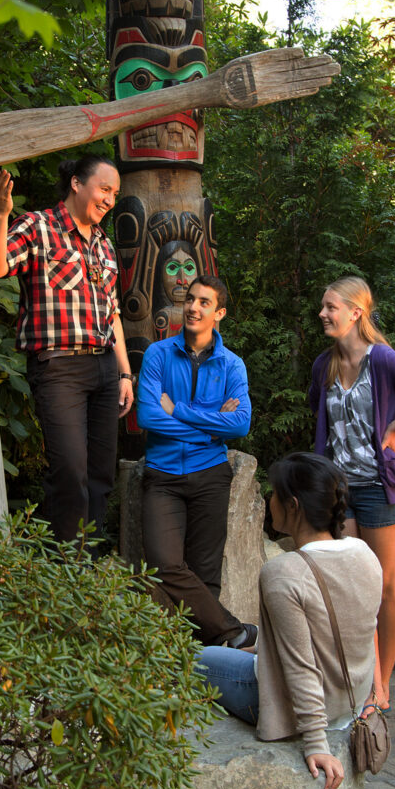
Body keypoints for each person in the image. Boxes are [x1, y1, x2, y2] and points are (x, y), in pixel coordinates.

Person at [196, 453, 382, 788]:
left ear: (293, 505)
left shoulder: (283, 572)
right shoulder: (363, 553)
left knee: (192, 660)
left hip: (291, 705)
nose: (269, 500)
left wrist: (315, 743)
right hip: (349, 701)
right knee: (240, 652)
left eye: (274, 494)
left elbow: (301, 667)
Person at [308, 276, 395, 711]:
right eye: (323, 306)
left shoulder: (383, 360)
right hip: (340, 489)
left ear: (356, 312)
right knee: (354, 586)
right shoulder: (323, 365)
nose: (323, 314)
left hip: (382, 489)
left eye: (331, 307)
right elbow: (320, 416)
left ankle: (381, 686)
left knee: (386, 586)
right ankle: (360, 680)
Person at [0, 156, 134, 542]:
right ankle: (64, 570)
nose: (109, 200)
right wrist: (1, 214)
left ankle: (92, 567)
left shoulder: (104, 244)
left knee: (101, 475)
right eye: (104, 189)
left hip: (104, 368)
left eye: (115, 194)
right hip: (59, 367)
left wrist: (124, 373)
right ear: (75, 184)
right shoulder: (38, 226)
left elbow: (112, 313)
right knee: (70, 472)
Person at [136, 275, 255, 648]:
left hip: (210, 475)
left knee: (206, 574)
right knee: (163, 564)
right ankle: (234, 631)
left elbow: (241, 422)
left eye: (204, 302)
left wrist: (180, 411)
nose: (193, 307)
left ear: (218, 313)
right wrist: (209, 429)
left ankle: (203, 665)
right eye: (190, 299)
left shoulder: (232, 365)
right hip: (162, 474)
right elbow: (147, 416)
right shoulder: (158, 354)